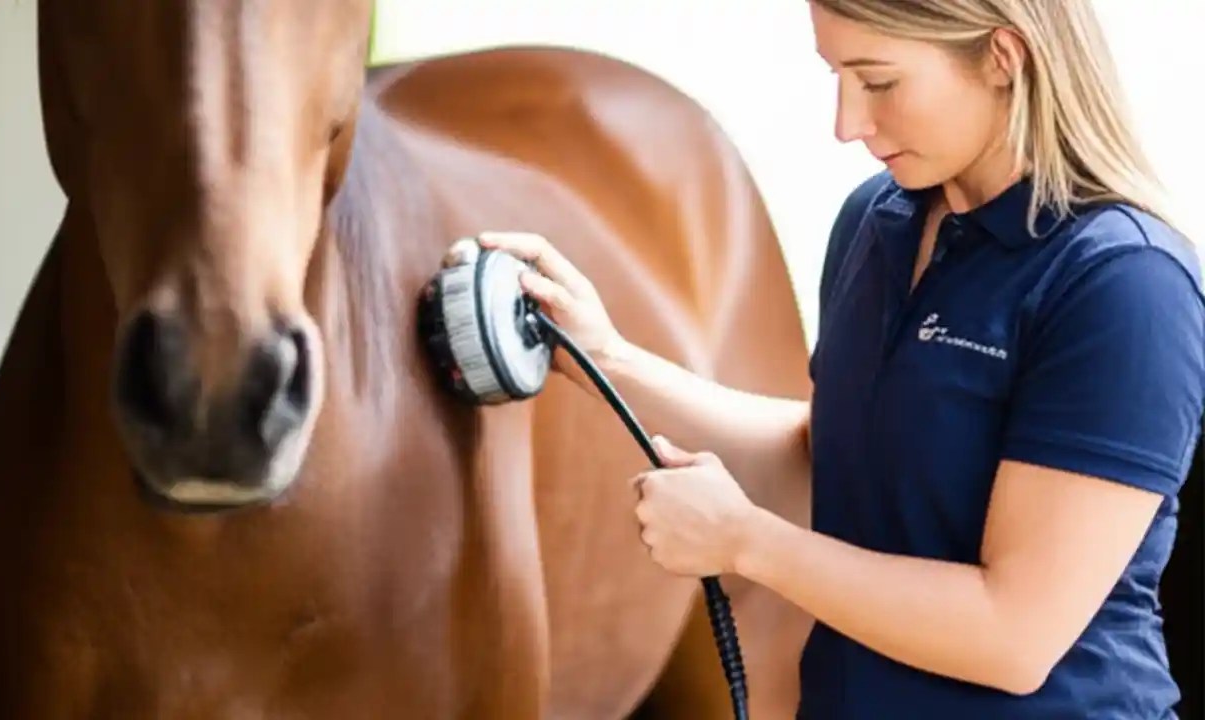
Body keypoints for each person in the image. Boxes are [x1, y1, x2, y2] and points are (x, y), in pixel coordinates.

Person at [478, 0, 1205, 718]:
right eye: (837, 77)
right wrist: (606, 359)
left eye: (878, 82)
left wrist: (745, 542)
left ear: (1002, 58)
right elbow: (825, 460)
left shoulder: (1125, 284)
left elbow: (1013, 637)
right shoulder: (877, 223)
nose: (847, 123)